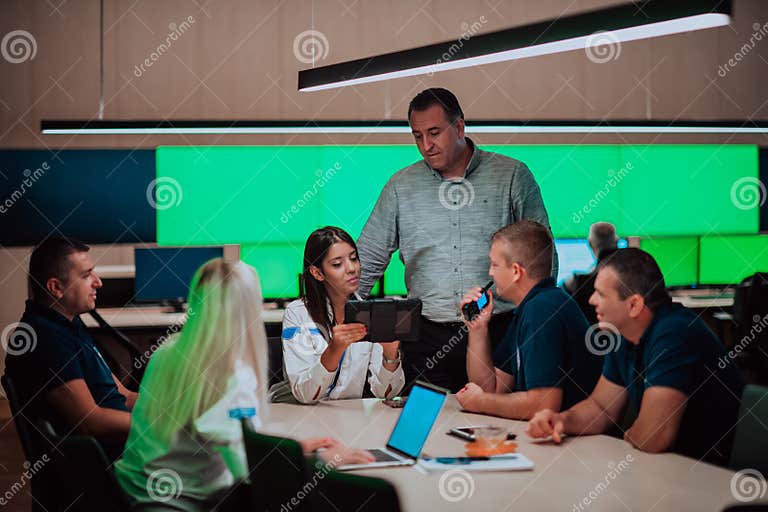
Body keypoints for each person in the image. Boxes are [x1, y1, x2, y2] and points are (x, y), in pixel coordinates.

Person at [115, 259, 374, 511]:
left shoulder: (168, 350)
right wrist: (322, 461)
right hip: (183, 503)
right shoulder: (232, 375)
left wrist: (294, 450)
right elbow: (251, 473)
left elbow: (221, 440)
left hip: (131, 491)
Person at [356, 87, 557, 393]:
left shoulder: (512, 175)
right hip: (425, 338)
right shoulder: (400, 186)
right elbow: (368, 258)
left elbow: (542, 255)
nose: (426, 145)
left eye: (434, 133)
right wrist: (332, 320)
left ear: (460, 127)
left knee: (492, 418)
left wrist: (535, 321)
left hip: (499, 330)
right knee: (425, 420)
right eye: (417, 136)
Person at [527, 249, 745, 466]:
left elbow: (653, 438)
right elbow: (601, 408)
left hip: (711, 473)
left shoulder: (674, 335)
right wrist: (560, 420)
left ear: (634, 305)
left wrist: (629, 434)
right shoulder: (625, 335)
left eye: (601, 294)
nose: (592, 300)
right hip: (667, 467)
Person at [3, 237, 135, 460]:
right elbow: (90, 422)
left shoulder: (69, 323)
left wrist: (174, 410)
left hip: (125, 445)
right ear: (56, 287)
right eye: (86, 275)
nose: (98, 282)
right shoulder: (45, 339)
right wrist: (156, 425)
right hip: (106, 463)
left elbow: (123, 394)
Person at [456, 220, 602, 419]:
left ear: (516, 271)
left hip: (574, 436)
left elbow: (543, 405)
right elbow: (491, 389)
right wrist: (477, 329)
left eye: (495, 264)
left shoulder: (541, 310)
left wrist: (481, 402)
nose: (490, 272)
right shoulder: (531, 307)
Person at [270, 226, 405, 403]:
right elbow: (305, 395)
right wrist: (334, 349)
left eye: (354, 259)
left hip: (346, 415)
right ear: (317, 273)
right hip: (296, 413)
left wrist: (390, 355)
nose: (351, 268)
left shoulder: (370, 313)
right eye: (337, 264)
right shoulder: (298, 313)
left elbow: (386, 394)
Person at [562, 221, 619, 325]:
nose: (592, 300)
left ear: (590, 244)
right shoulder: (635, 275)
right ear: (616, 242)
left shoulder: (575, 283)